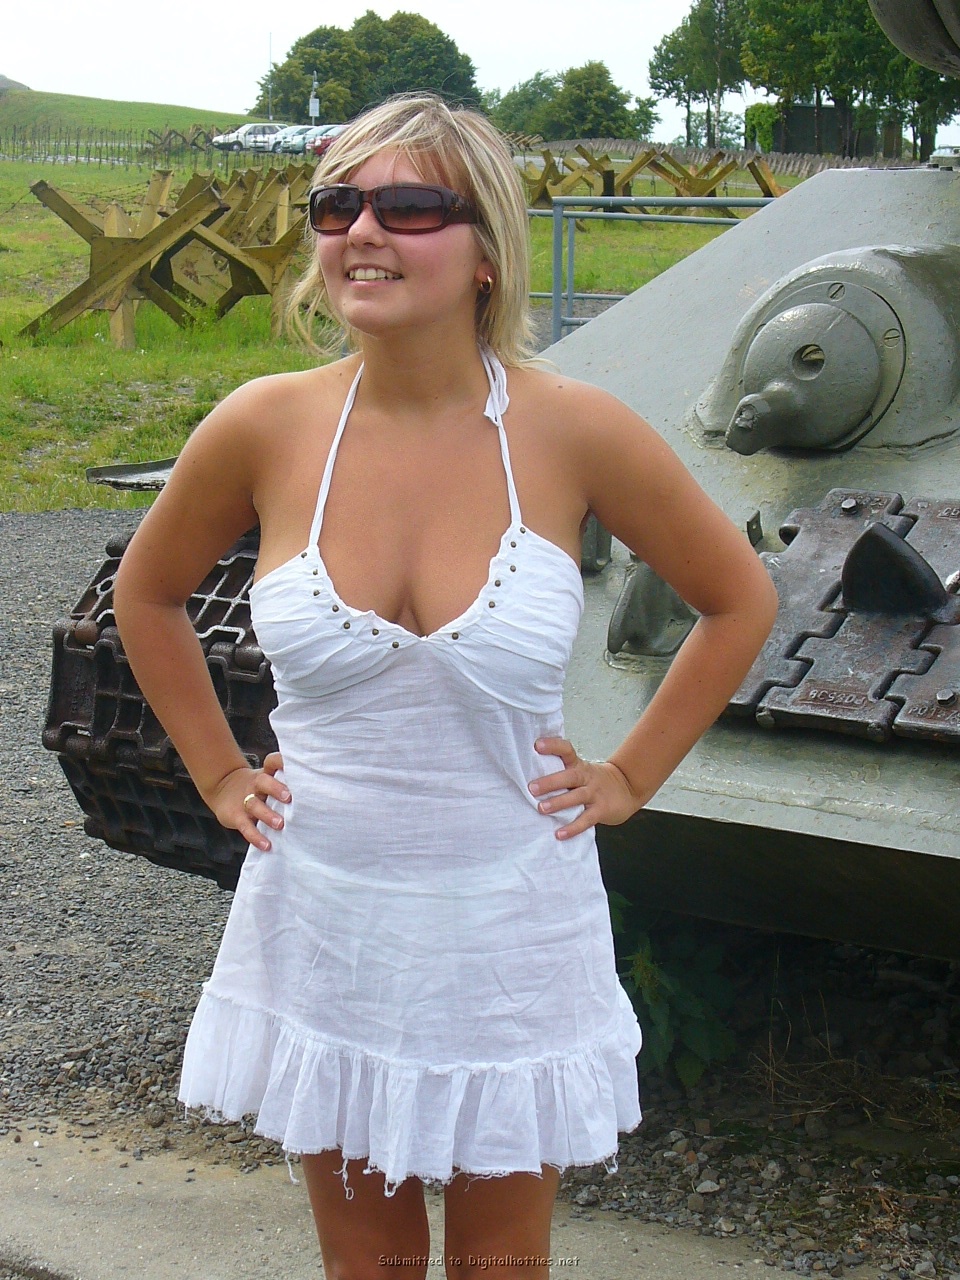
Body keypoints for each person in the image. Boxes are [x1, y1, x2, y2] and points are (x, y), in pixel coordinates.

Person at [113, 93, 778, 1280]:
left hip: (509, 923)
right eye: (337, 206)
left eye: (411, 205)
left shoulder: (576, 430)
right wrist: (216, 771)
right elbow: (147, 592)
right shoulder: (264, 425)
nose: (364, 232)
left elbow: (739, 600)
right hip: (326, 913)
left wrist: (630, 774)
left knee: (499, 1267)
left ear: (486, 251)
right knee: (366, 1267)